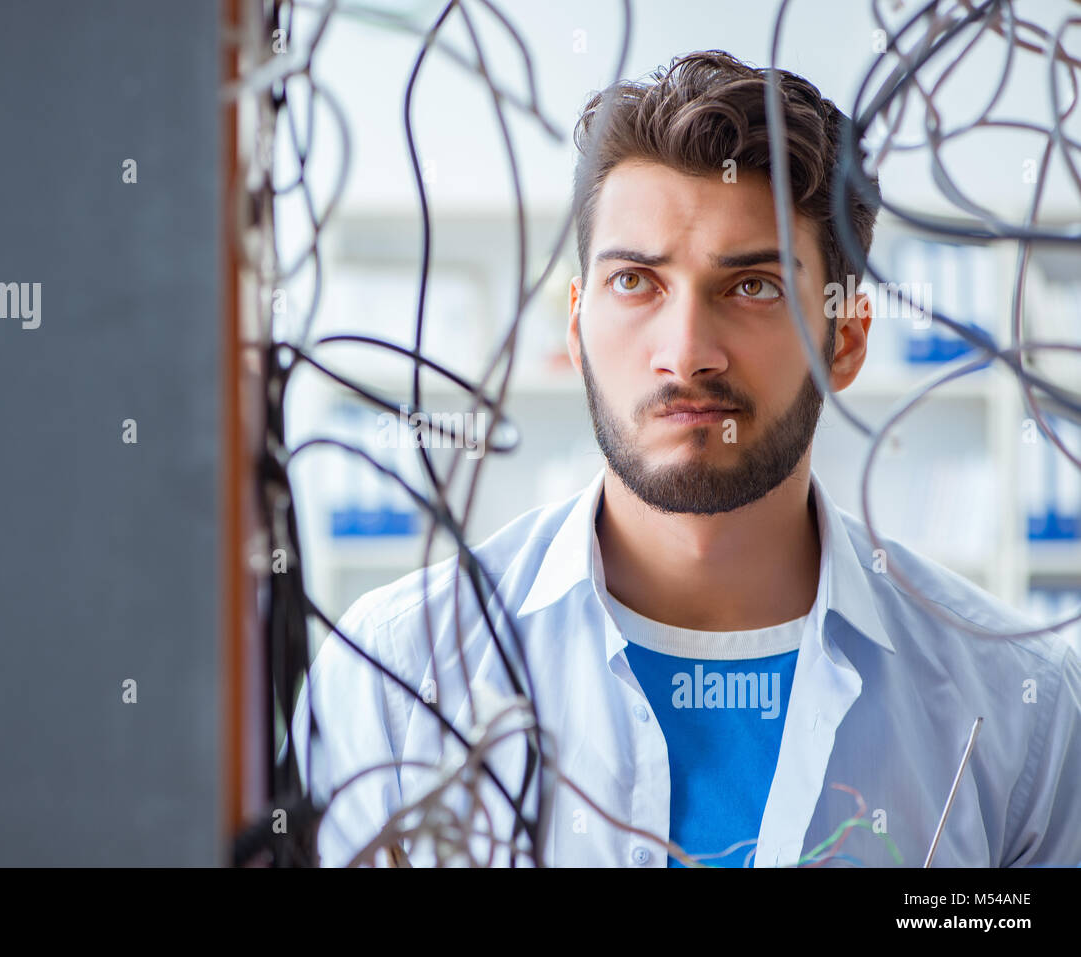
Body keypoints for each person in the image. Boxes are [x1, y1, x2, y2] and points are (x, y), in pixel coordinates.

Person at [288, 49, 1081, 867]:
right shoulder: (394, 674)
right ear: (576, 326)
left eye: (752, 287)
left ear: (844, 338)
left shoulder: (1022, 709)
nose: (687, 353)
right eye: (636, 281)